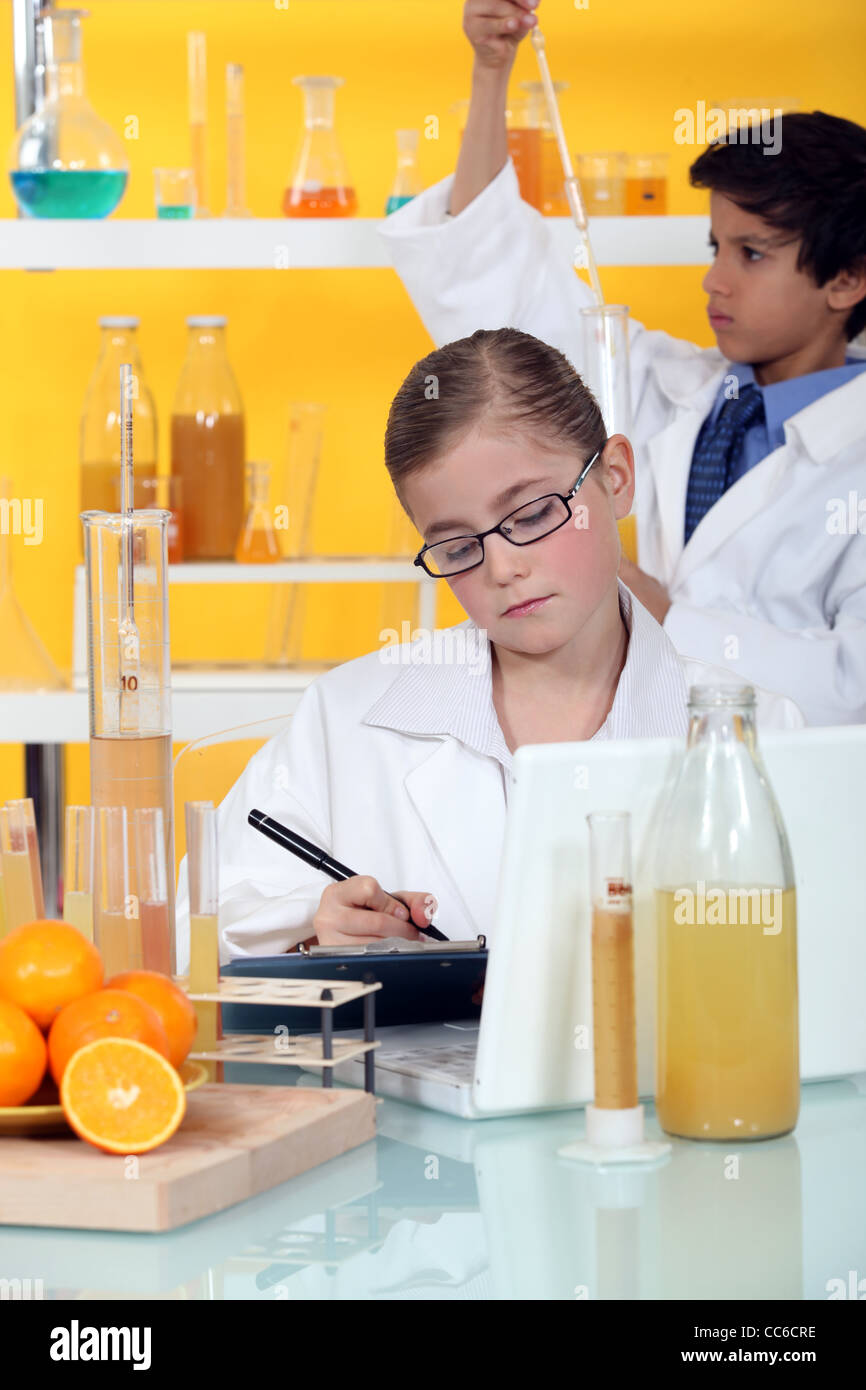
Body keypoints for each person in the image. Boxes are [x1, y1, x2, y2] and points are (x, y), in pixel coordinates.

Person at [175, 329, 802, 965]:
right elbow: (191, 923)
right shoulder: (343, 722)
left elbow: (817, 972)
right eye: (456, 546)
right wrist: (312, 931)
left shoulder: (763, 735)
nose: (502, 567)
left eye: (531, 515)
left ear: (615, 479)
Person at [376, 0, 866, 728]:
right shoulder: (667, 387)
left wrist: (664, 611)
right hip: (645, 768)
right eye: (715, 247)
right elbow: (493, 275)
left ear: (847, 279)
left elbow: (852, 687)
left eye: (752, 254)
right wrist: (491, 72)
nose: (715, 280)